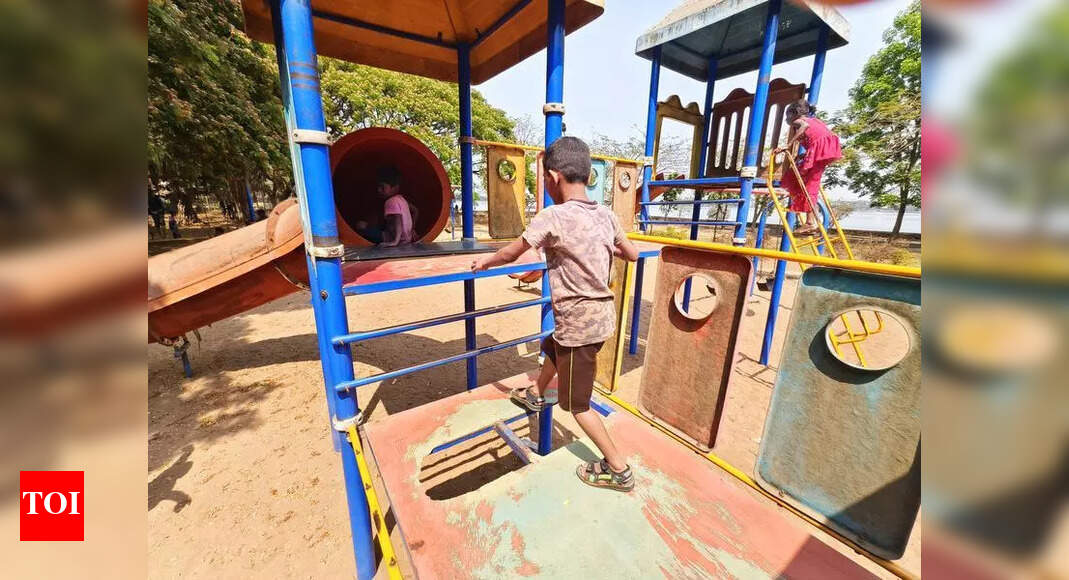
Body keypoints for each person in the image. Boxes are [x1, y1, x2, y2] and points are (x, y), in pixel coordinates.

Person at [471, 137, 640, 492]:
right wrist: (608, 249)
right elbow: (633, 254)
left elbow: (513, 252)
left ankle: (618, 468)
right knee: (552, 344)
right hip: (600, 318)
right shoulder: (607, 214)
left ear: (552, 176)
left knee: (576, 406)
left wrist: (485, 260)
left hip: (580, 326)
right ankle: (535, 391)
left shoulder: (553, 216)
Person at [774, 99, 842, 235]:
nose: (787, 119)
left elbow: (804, 126)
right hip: (823, 150)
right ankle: (812, 221)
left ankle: (811, 222)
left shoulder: (798, 121)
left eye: (788, 116)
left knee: (808, 186)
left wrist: (788, 145)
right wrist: (804, 155)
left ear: (793, 113)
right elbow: (816, 137)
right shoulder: (814, 120)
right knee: (809, 184)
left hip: (819, 150)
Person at [356, 165, 416, 246]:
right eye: (378, 187)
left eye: (382, 187)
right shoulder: (402, 199)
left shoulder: (390, 201)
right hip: (407, 238)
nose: (379, 190)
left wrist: (395, 241)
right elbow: (415, 211)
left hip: (390, 238)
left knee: (360, 225)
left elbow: (398, 218)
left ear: (395, 188)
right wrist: (412, 229)